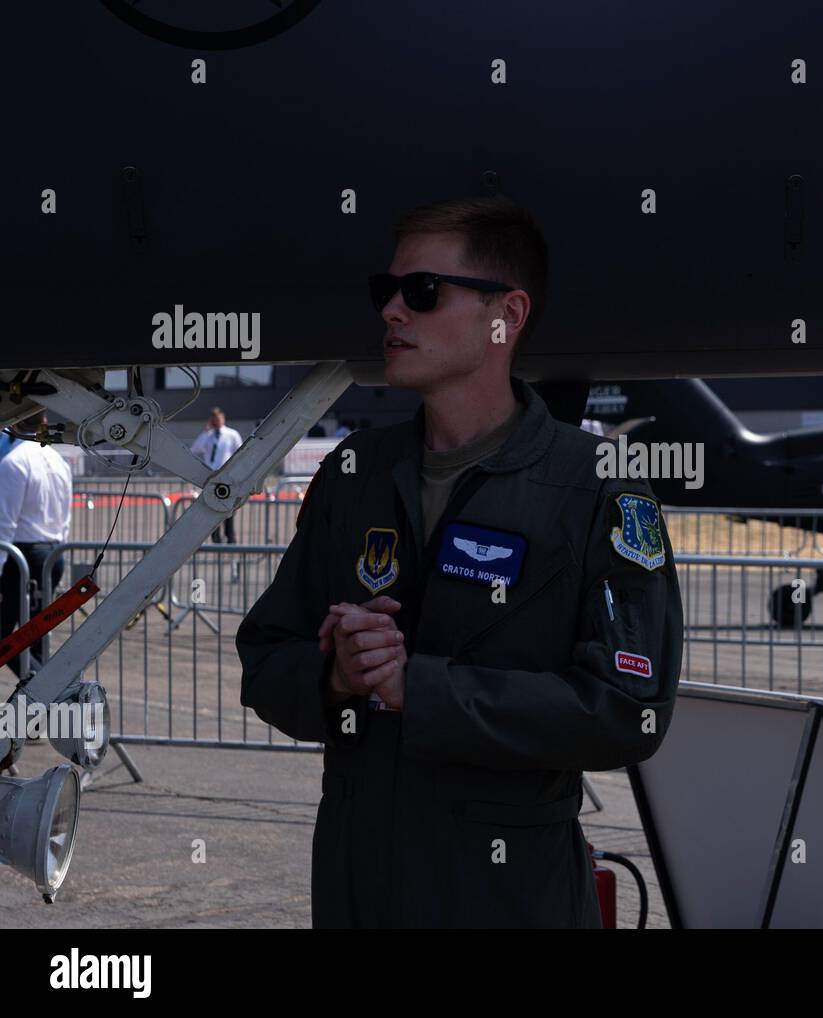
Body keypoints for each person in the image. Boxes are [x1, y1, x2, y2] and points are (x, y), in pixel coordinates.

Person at [237, 195, 683, 928]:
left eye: (422, 293)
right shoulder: (356, 473)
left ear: (506, 313)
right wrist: (336, 675)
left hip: (509, 901)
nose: (391, 313)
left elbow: (628, 711)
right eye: (387, 292)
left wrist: (428, 691)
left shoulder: (596, 490)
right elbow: (264, 660)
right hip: (359, 893)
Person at [0, 412, 73, 676]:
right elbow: (65, 517)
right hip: (52, 553)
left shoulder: (14, 463)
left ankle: (42, 691)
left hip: (22, 557)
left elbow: (4, 524)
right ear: (44, 424)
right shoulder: (57, 459)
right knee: (36, 635)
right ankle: (43, 696)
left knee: (10, 636)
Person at [191, 407, 243, 544]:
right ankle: (216, 539)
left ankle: (230, 536)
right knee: (212, 507)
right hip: (211, 476)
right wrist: (205, 431)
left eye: (218, 419)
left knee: (229, 508)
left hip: (228, 476)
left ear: (223, 418)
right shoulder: (207, 436)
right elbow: (195, 448)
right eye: (214, 419)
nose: (216, 421)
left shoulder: (232, 434)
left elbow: (241, 452)